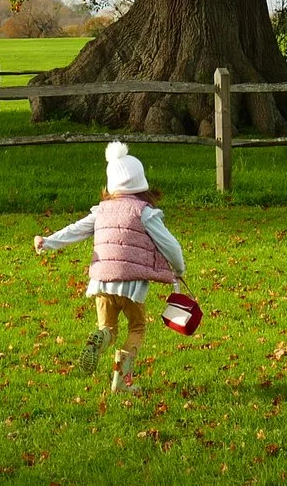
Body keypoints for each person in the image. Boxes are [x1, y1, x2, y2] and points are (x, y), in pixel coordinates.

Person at [33, 141, 187, 394]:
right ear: (141, 182)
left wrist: (48, 242)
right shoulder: (144, 212)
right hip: (132, 285)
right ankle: (122, 381)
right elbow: (170, 245)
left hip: (101, 282)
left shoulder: (101, 211)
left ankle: (102, 337)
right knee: (137, 327)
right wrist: (178, 270)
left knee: (108, 328)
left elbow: (76, 230)